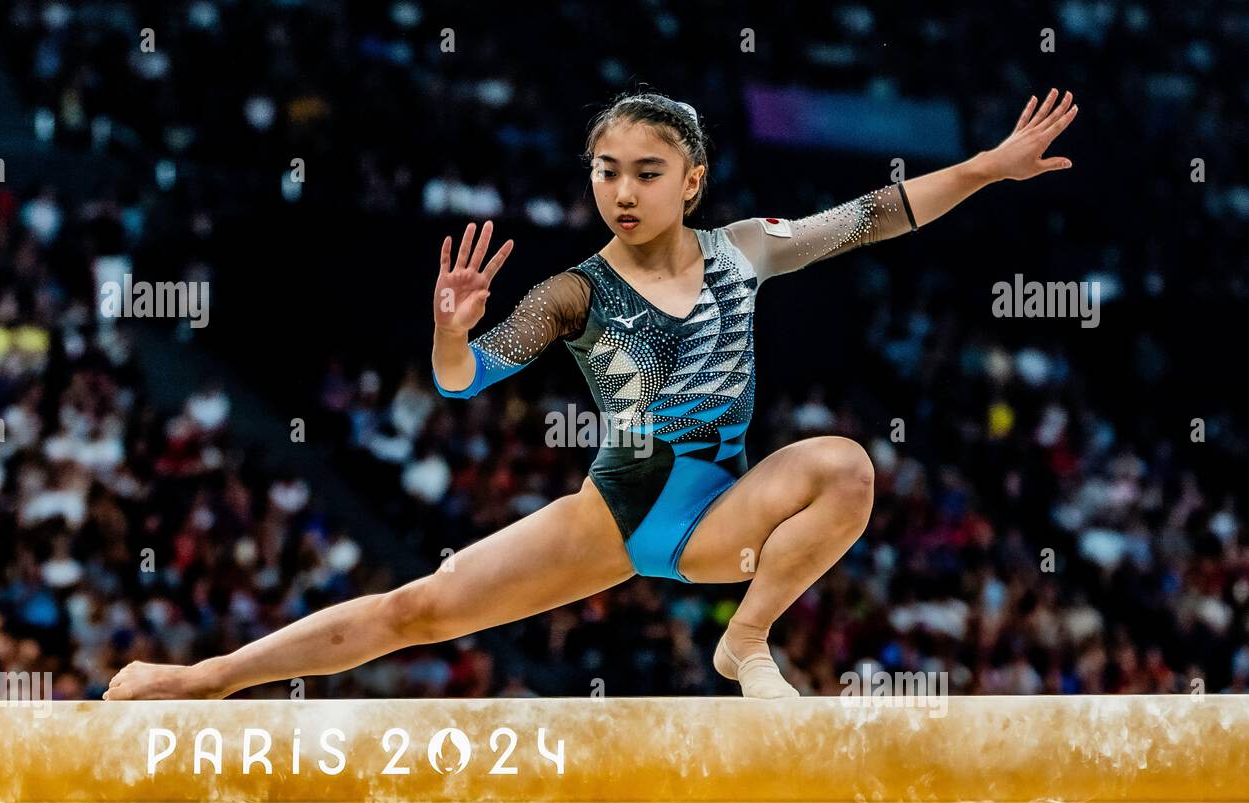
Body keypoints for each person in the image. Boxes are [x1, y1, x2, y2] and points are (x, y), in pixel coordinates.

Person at [106, 88, 1078, 701]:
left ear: (691, 181)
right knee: (416, 609)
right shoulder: (574, 292)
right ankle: (205, 678)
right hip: (613, 513)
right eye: (608, 171)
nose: (624, 190)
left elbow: (875, 215)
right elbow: (464, 379)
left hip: (717, 513)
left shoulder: (745, 250)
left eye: (648, 172)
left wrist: (986, 168)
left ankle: (744, 642)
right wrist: (450, 331)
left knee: (844, 466)